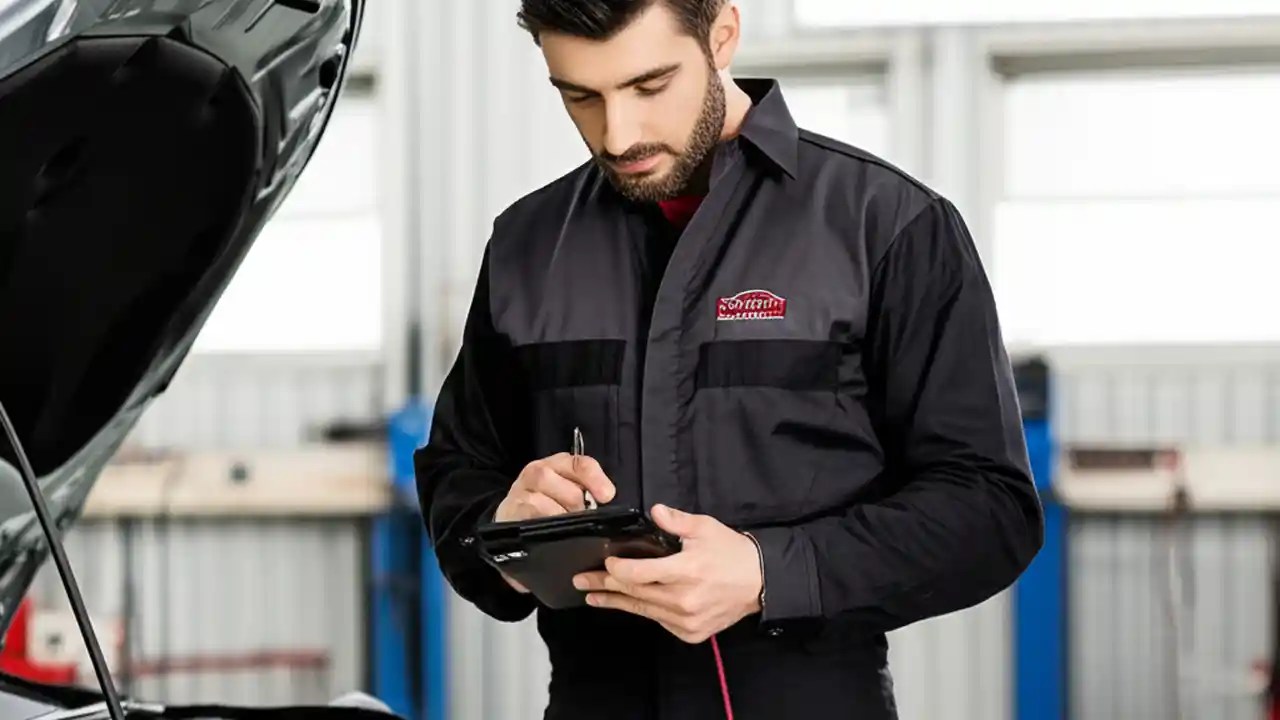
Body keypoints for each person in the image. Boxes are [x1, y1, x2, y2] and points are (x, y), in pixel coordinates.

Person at [414, 1, 1045, 718]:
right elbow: (455, 469)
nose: (617, 135)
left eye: (649, 86)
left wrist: (769, 571)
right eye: (580, 96)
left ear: (722, 36)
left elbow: (990, 509)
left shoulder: (887, 226)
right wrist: (505, 523)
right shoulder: (527, 246)